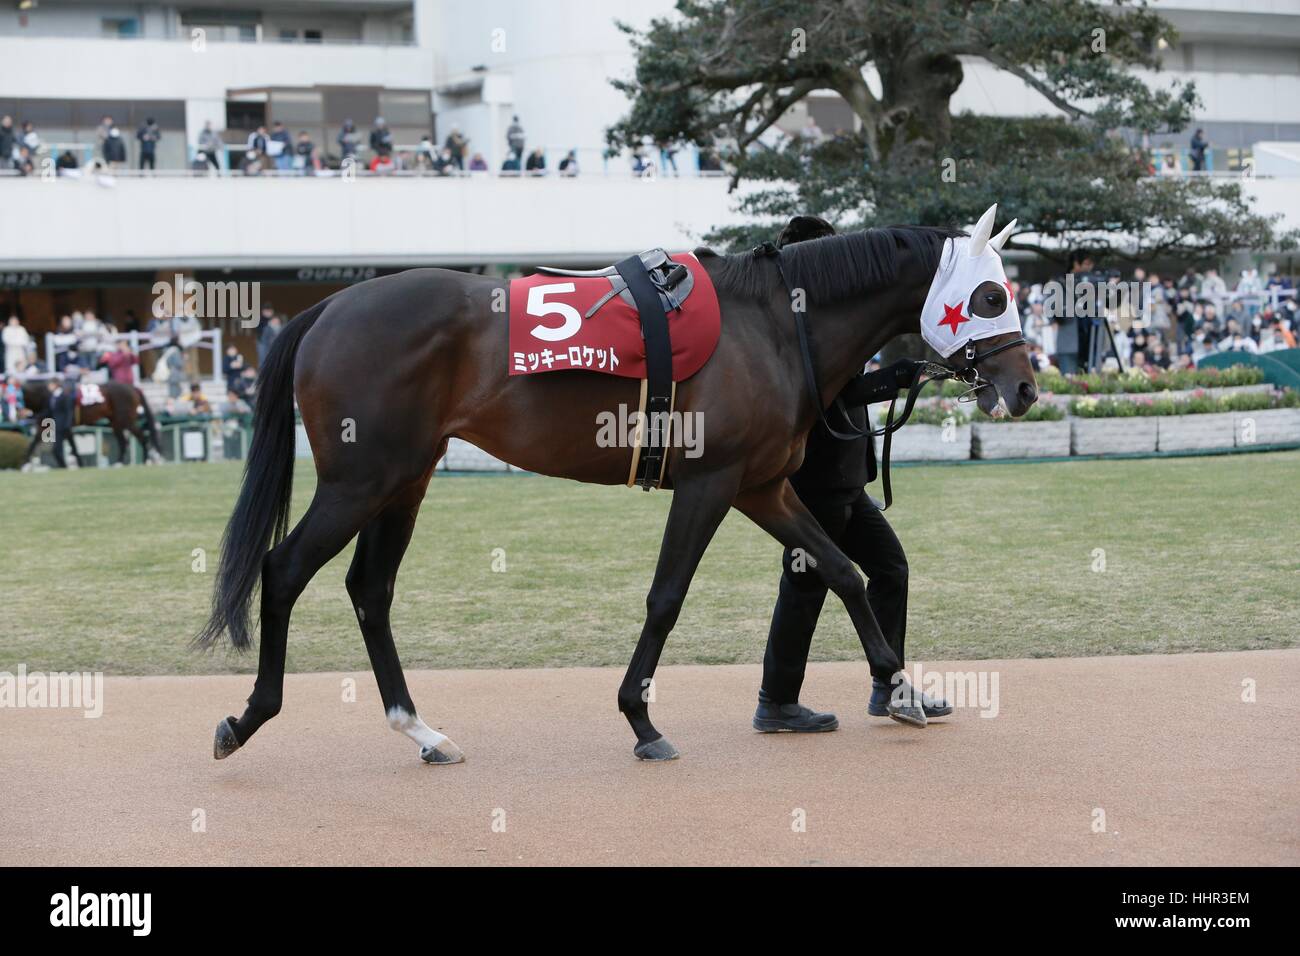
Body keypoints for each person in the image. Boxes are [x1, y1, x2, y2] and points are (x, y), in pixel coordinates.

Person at [752, 215, 950, 734]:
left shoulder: (822, 316)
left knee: (888, 569)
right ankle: (776, 701)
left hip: (843, 479)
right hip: (816, 480)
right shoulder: (800, 324)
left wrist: (901, 375)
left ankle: (886, 685)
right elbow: (833, 392)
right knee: (806, 585)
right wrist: (895, 377)